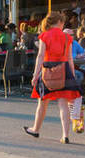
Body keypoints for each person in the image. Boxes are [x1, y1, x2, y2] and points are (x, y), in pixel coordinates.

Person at [24, 12, 79, 143]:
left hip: (48, 70)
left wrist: (35, 74)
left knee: (42, 103)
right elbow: (70, 58)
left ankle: (35, 129)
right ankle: (65, 135)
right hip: (64, 70)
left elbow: (41, 56)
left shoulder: (44, 35)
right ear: (59, 22)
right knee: (63, 104)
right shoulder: (67, 37)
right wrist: (72, 74)